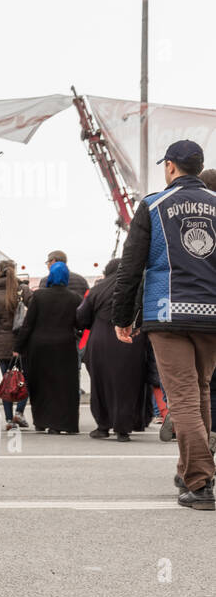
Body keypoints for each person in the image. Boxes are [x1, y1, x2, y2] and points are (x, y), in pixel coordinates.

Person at [113, 140, 216, 510]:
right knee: (200, 391)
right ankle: (189, 470)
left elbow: (131, 266)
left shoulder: (153, 205)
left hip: (168, 311)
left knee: (184, 398)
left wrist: (122, 316)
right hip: (211, 315)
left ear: (170, 166)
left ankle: (201, 483)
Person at [77, 258, 148, 440]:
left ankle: (102, 426)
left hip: (100, 341)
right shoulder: (139, 286)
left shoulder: (98, 289)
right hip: (132, 340)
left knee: (100, 384)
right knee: (128, 385)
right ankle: (123, 429)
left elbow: (82, 317)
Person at [14, 262, 82, 434]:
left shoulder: (39, 296)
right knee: (65, 386)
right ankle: (66, 424)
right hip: (65, 346)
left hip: (39, 347)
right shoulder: (74, 298)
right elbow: (80, 322)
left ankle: (42, 421)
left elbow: (28, 325)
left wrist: (18, 346)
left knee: (41, 385)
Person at [0, 260, 32, 429]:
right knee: (24, 380)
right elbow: (34, 311)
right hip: (22, 343)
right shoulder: (23, 290)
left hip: (1, 343)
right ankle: (19, 412)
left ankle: (8, 419)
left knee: (7, 380)